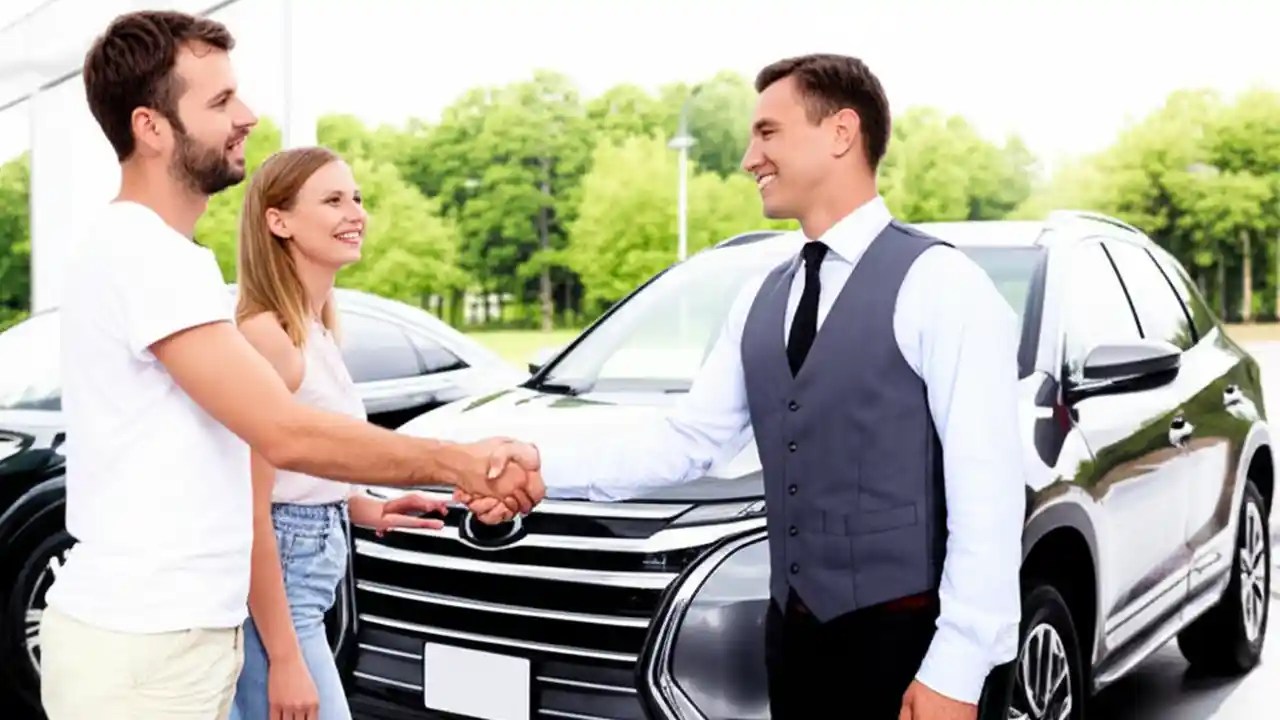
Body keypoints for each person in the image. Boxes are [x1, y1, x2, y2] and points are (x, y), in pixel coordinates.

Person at [459, 53, 1023, 719]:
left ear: (841, 133)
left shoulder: (943, 285)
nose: (749, 158)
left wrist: (957, 668)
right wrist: (537, 463)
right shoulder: (762, 295)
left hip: (908, 644)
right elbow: (688, 442)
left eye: (768, 133)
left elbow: (987, 492)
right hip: (793, 640)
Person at [39, 11, 539, 720]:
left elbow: (230, 460)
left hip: (169, 640)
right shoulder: (141, 255)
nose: (246, 117)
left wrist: (359, 504)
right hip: (144, 647)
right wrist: (462, 463)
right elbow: (285, 432)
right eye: (219, 102)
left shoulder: (159, 256)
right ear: (151, 127)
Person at [225, 146, 453, 720]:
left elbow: (297, 469)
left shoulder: (316, 328)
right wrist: (285, 659)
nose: (356, 213)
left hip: (306, 573)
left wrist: (362, 505)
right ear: (278, 221)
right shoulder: (267, 338)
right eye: (332, 200)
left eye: (356, 197)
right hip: (279, 597)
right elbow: (249, 511)